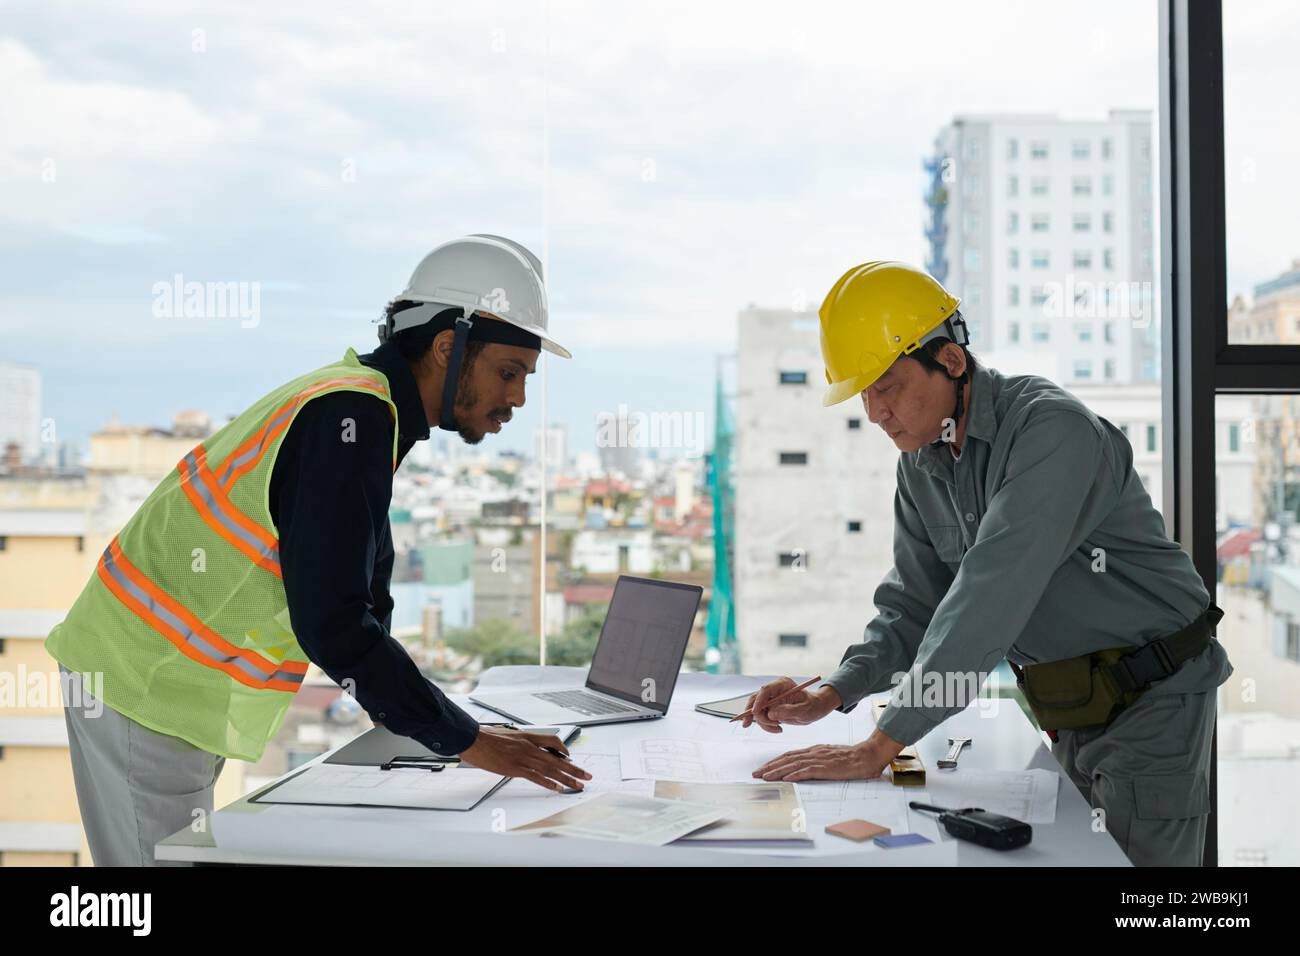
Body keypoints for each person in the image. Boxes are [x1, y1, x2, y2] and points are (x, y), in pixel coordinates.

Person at [47, 235, 591, 866]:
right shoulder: (348, 417)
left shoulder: (363, 407)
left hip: (163, 683)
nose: (518, 398)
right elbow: (333, 622)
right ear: (449, 348)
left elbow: (362, 592)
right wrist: (464, 740)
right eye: (509, 372)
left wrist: (429, 720)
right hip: (143, 681)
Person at [744, 260, 1231, 867]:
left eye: (886, 386)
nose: (874, 413)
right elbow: (915, 607)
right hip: (1068, 706)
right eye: (864, 394)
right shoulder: (921, 464)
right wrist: (834, 690)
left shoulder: (1052, 432)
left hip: (1153, 700)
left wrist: (880, 744)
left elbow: (989, 595)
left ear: (949, 360)